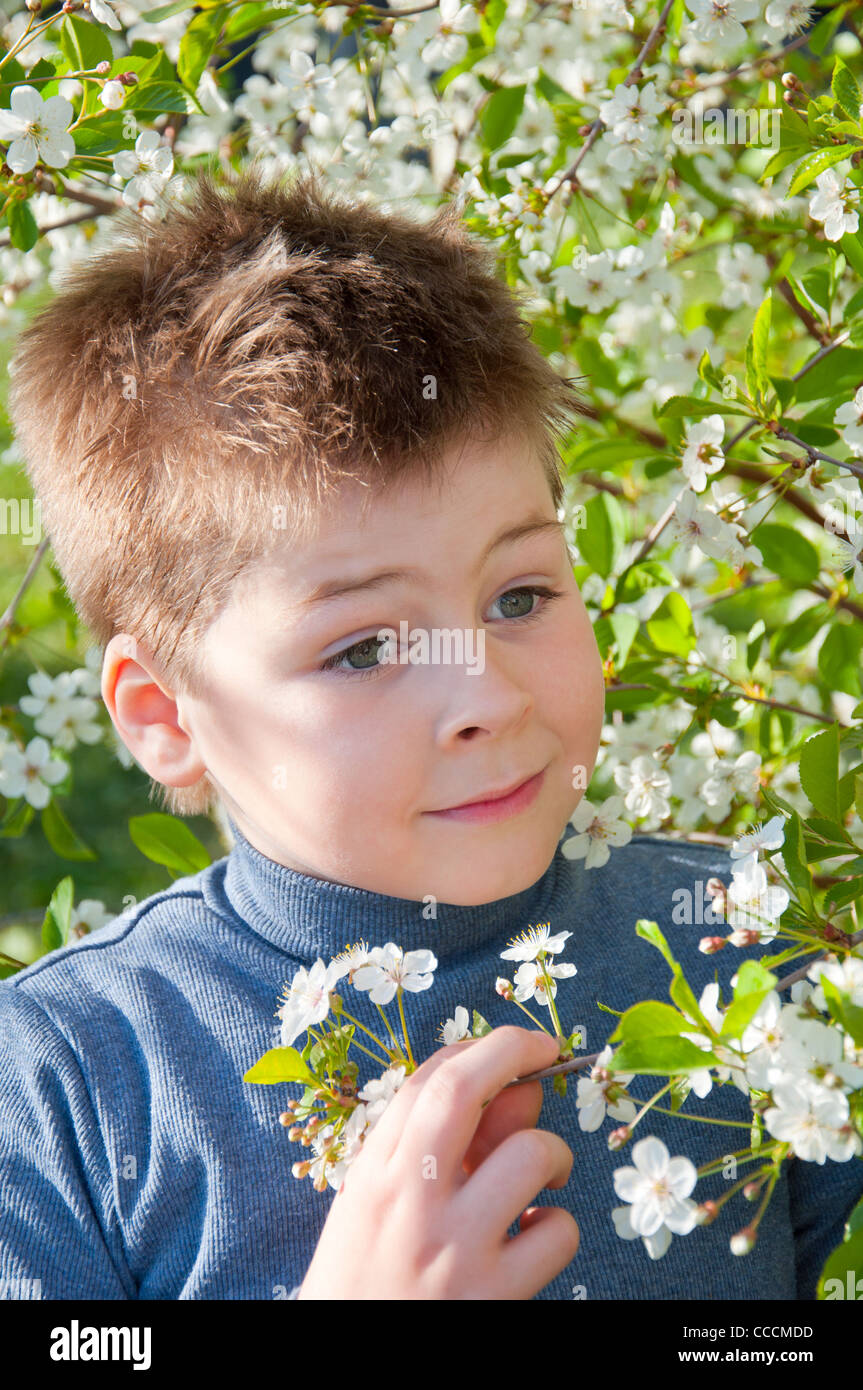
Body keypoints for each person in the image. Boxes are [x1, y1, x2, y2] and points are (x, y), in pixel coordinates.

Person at [0, 164, 859, 1300]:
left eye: (519, 598)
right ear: (167, 717)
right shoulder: (65, 1083)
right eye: (363, 649)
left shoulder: (754, 944)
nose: (488, 697)